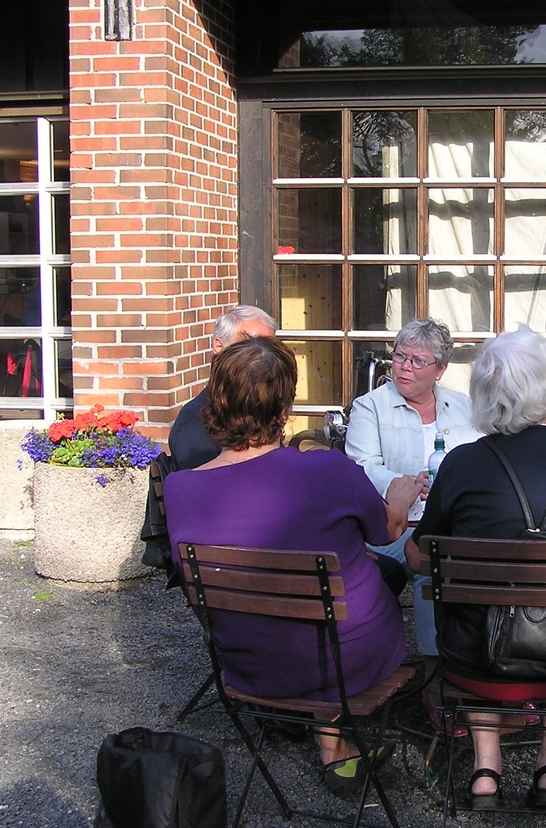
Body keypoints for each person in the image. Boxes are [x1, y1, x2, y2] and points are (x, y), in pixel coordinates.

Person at [164, 336, 420, 794]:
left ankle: (331, 745)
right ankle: (336, 745)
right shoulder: (326, 469)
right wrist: (399, 496)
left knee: (317, 599)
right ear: (283, 410)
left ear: (214, 402)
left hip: (251, 662)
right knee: (362, 583)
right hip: (350, 661)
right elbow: (387, 531)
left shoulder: (180, 489)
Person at [406, 327, 546, 810]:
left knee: (472, 616)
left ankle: (486, 770)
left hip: (475, 661)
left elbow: (419, 554)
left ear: (482, 395)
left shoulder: (460, 464)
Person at [344, 318, 483, 727]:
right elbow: (362, 466)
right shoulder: (370, 407)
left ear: (440, 369)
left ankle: (482, 671)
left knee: (487, 566)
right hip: (394, 526)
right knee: (429, 568)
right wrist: (404, 484)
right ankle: (434, 678)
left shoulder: (464, 406)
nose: (404, 367)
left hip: (453, 525)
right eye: (400, 356)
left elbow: (483, 457)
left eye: (417, 360)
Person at [169, 305, 277, 471]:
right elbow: (205, 482)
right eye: (249, 348)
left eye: (270, 350)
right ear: (219, 347)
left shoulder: (265, 410)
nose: (261, 358)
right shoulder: (195, 424)